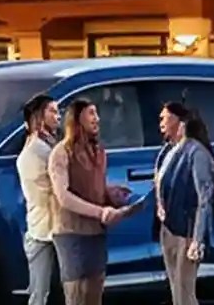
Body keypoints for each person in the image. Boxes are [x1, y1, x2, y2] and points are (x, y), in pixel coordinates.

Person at [47, 98, 140, 305]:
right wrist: (101, 212)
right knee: (77, 295)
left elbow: (91, 186)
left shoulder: (99, 152)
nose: (97, 119)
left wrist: (110, 193)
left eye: (96, 113)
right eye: (91, 113)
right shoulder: (61, 153)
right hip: (71, 234)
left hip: (96, 233)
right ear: (77, 118)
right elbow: (63, 196)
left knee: (95, 294)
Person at [154, 102, 214, 305]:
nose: (161, 123)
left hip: (187, 232)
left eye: (165, 118)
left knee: (184, 293)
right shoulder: (167, 151)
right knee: (176, 290)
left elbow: (204, 198)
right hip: (169, 228)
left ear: (179, 122)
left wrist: (198, 238)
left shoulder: (196, 153)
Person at [16, 93, 61, 305]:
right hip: (46, 228)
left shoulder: (44, 145)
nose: (58, 116)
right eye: (53, 111)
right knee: (39, 296)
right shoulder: (38, 150)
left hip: (44, 228)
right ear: (39, 117)